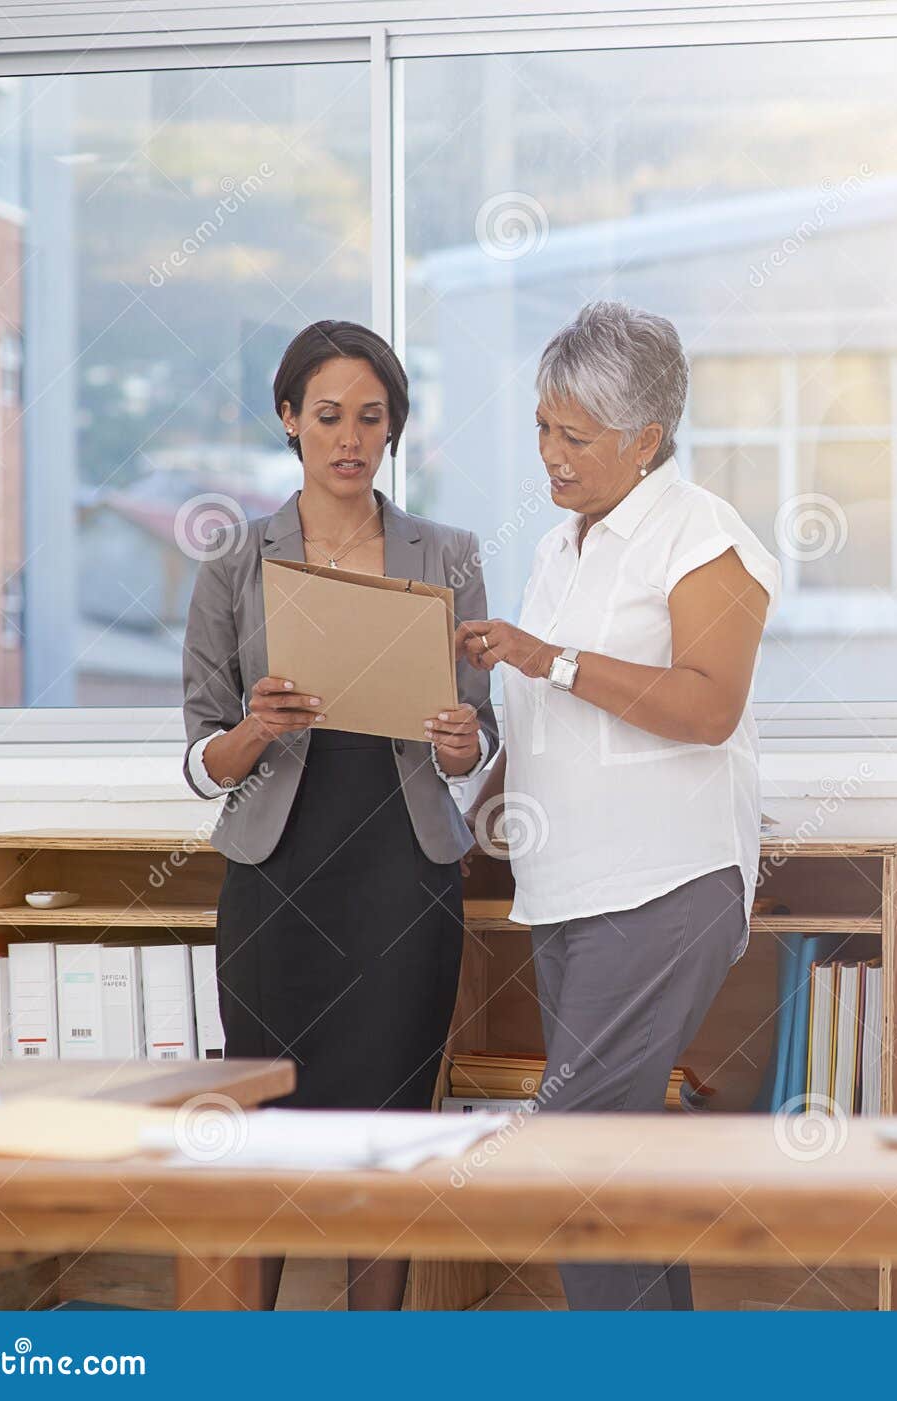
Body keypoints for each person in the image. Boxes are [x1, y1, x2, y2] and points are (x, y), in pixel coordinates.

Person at [459, 300, 780, 1310]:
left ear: (645, 439)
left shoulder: (700, 534)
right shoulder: (563, 549)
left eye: (576, 436)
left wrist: (548, 658)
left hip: (663, 884)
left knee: (577, 1154)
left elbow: (707, 705)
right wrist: (483, 782)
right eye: (544, 431)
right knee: (609, 1161)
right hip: (566, 892)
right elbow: (553, 712)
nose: (551, 456)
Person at [180, 319, 496, 1310]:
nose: (351, 438)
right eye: (328, 417)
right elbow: (198, 757)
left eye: (372, 417)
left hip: (402, 877)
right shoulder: (235, 562)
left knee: (389, 1133)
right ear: (289, 419)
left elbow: (476, 735)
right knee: (269, 1126)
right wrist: (254, 731)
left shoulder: (446, 554)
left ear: (394, 428)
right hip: (278, 877)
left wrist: (460, 746)